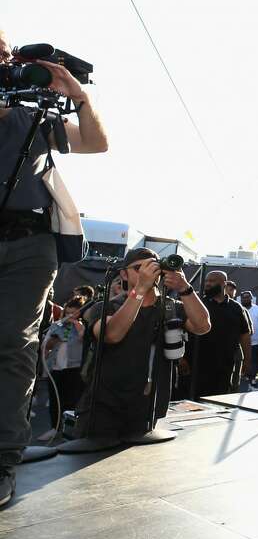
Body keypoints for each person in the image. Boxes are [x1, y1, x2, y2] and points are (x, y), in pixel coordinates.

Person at [1, 27, 109, 509]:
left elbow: (94, 143)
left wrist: (78, 97)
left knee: (12, 342)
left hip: (30, 242)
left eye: (4, 52)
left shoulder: (32, 118)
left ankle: (4, 458)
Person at [75, 249, 210, 444]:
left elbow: (202, 326)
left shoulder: (172, 308)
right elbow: (112, 334)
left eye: (154, 267)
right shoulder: (105, 306)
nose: (148, 273)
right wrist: (139, 290)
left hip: (148, 410)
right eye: (139, 268)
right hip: (103, 408)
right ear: (123, 274)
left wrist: (185, 288)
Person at [187, 270, 251, 397]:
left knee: (221, 400)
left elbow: (245, 335)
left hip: (225, 366)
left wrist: (247, 360)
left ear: (224, 284)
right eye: (206, 281)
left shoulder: (236, 308)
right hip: (197, 364)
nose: (207, 284)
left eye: (212, 281)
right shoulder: (198, 304)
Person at [41, 295, 89, 433]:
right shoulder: (58, 325)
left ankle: (71, 429)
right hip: (56, 367)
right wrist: (53, 338)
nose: (69, 315)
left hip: (73, 368)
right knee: (55, 400)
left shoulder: (83, 326)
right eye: (67, 312)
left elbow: (83, 337)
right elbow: (46, 344)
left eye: (73, 313)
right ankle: (54, 428)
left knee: (72, 400)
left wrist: (75, 322)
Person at [239, 290, 258, 389]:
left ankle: (252, 379)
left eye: (248, 297)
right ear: (241, 299)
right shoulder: (238, 309)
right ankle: (243, 378)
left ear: (252, 298)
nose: (245, 299)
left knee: (254, 361)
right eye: (244, 297)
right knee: (242, 360)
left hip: (255, 342)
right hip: (241, 342)